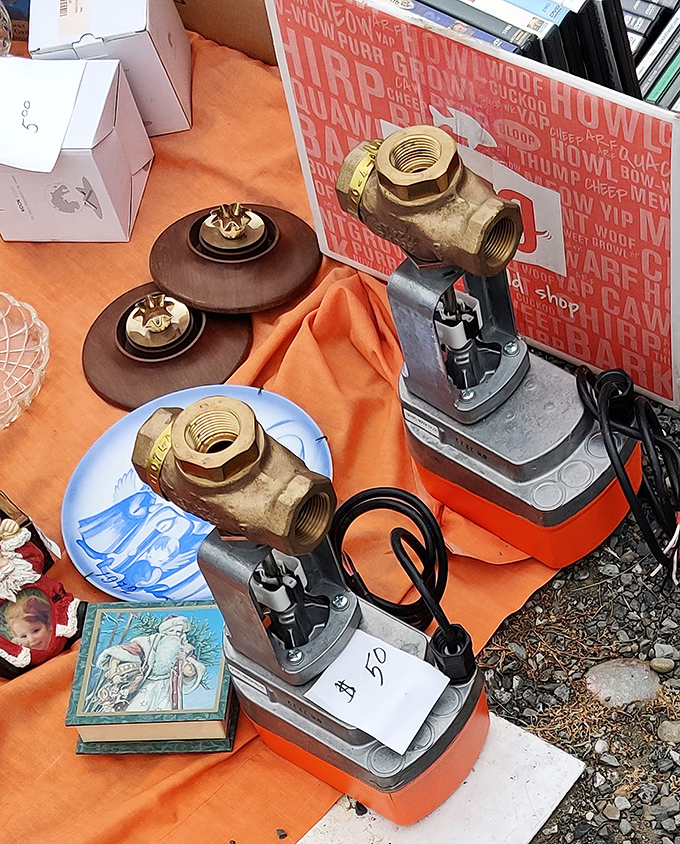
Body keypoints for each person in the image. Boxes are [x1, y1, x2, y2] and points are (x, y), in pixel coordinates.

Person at [94, 615, 206, 712]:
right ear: (165, 632)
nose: (175, 635)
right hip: (147, 684)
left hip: (169, 687)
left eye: (179, 632)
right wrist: (114, 674)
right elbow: (120, 652)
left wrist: (185, 662)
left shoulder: (185, 648)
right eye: (172, 631)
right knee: (135, 710)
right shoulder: (148, 643)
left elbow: (190, 672)